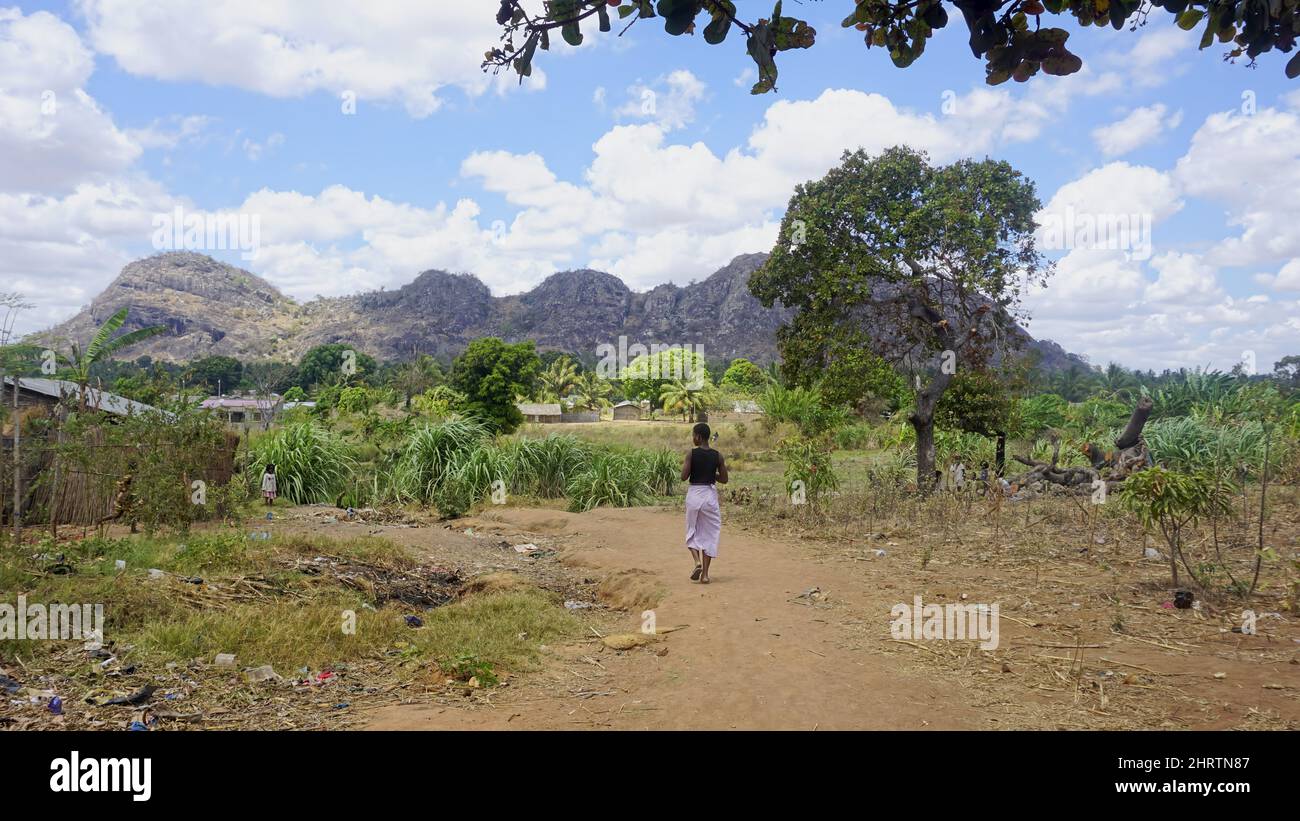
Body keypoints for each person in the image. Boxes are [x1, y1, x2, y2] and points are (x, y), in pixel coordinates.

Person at [681, 422, 727, 584]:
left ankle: (697, 561)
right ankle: (705, 575)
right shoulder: (718, 455)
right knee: (710, 532)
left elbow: (683, 476)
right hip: (709, 495)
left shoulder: (691, 454)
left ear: (698, 437)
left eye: (693, 435)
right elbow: (724, 479)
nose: (693, 438)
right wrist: (711, 473)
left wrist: (694, 468)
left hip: (694, 494)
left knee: (692, 529)